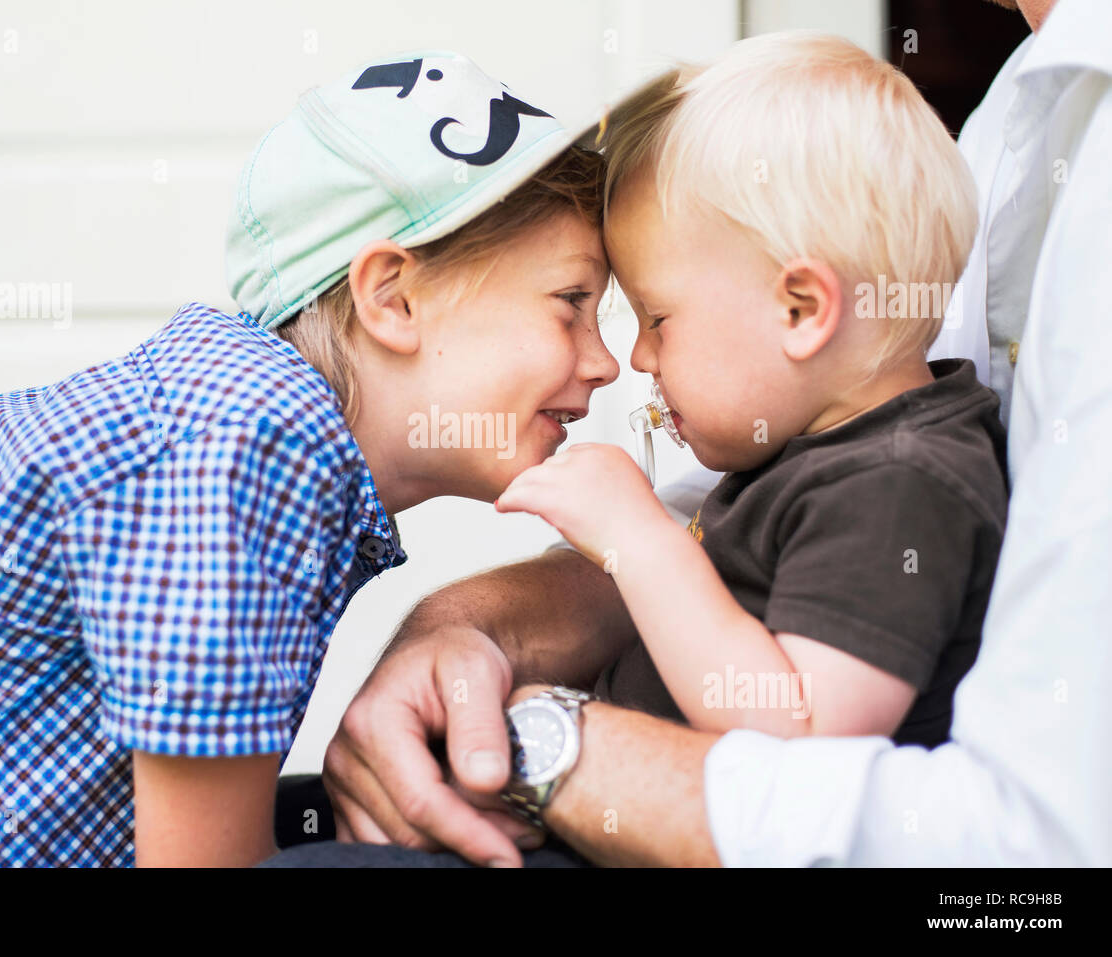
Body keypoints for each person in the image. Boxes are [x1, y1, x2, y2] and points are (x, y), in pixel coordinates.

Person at [272, 0, 1112, 868]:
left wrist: (638, 543)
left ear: (802, 308)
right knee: (293, 818)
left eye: (659, 318)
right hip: (604, 808)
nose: (634, 358)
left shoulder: (902, 485)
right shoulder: (819, 437)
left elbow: (803, 728)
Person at [0, 51, 621, 866]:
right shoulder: (255, 445)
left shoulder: (227, 416)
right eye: (571, 305)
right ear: (392, 297)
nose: (605, 362)